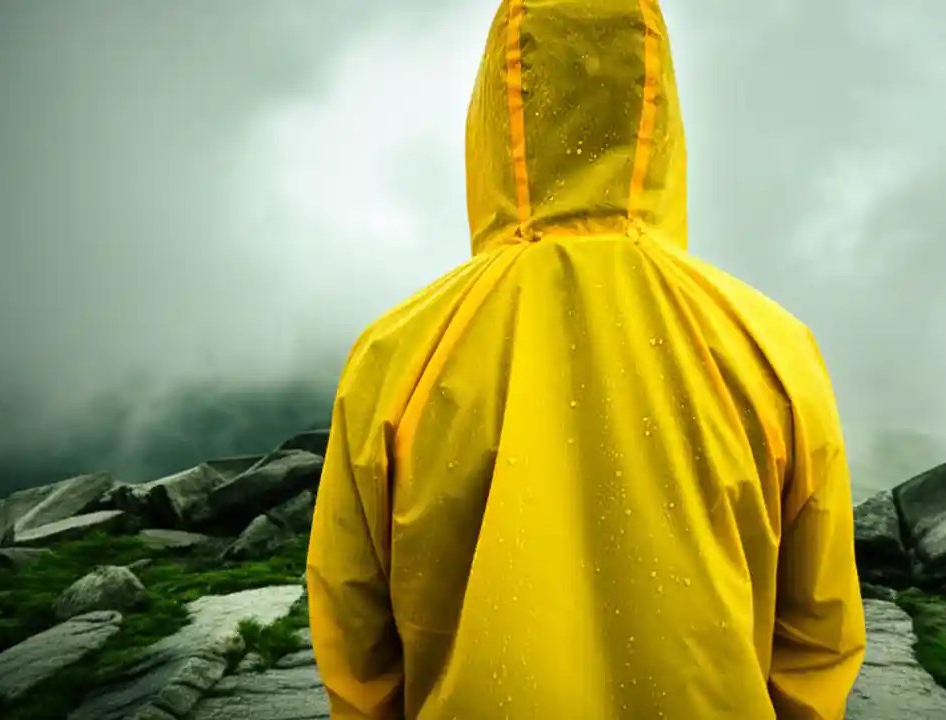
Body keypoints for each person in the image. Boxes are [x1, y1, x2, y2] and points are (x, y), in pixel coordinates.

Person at [306, 0, 866, 717]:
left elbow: (355, 638)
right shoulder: (771, 346)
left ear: (491, 118)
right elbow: (817, 634)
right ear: (658, 112)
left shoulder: (397, 353)